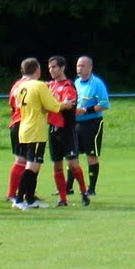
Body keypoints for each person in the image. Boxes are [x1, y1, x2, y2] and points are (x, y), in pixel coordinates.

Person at [10, 58, 62, 211]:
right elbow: (52, 105)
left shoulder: (21, 86)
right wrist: (64, 104)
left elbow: (20, 105)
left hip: (25, 128)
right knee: (31, 165)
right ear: (37, 70)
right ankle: (19, 199)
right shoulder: (39, 85)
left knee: (36, 165)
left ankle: (30, 198)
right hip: (35, 130)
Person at [47, 55, 88, 206]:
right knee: (56, 165)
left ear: (62, 68)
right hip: (53, 128)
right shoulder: (49, 85)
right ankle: (63, 199)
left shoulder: (68, 86)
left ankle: (84, 191)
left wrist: (52, 105)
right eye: (49, 67)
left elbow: (69, 104)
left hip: (66, 129)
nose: (51, 70)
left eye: (54, 67)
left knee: (72, 164)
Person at [73, 55, 110, 201]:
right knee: (73, 154)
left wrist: (86, 111)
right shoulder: (76, 83)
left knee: (91, 155)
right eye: (78, 66)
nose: (79, 69)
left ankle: (92, 188)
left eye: (82, 66)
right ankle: (69, 187)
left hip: (92, 123)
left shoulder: (97, 83)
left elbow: (104, 104)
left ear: (90, 67)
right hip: (76, 124)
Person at [4, 66, 29, 205]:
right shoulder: (28, 86)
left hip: (15, 122)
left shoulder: (16, 85)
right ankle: (12, 194)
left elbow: (12, 106)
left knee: (23, 161)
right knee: (23, 160)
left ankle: (24, 192)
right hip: (23, 123)